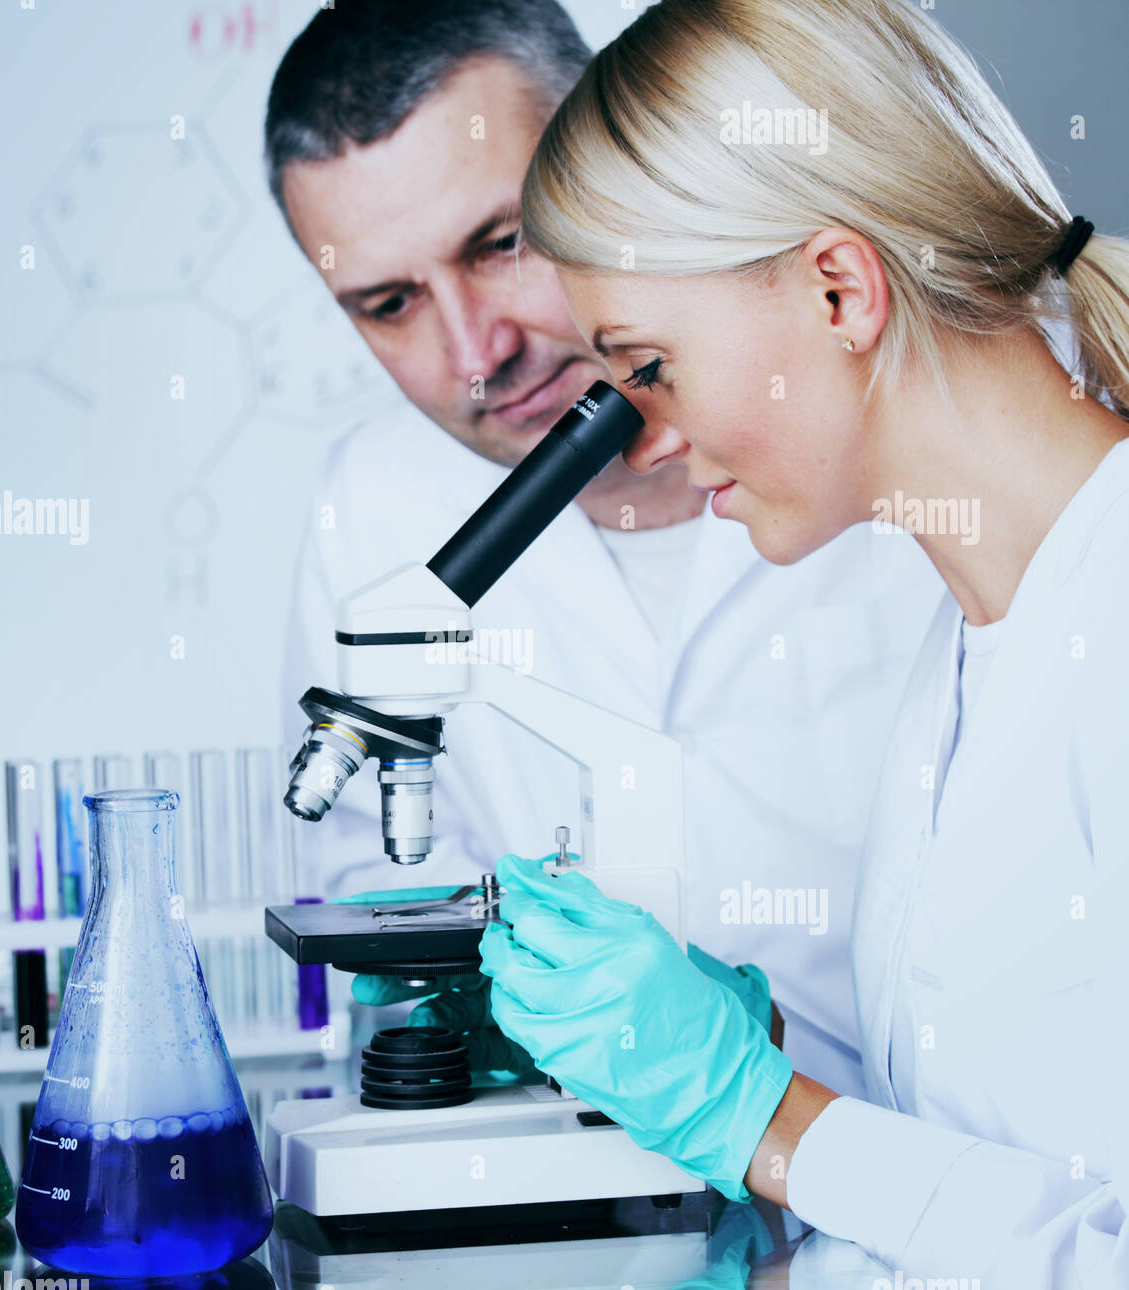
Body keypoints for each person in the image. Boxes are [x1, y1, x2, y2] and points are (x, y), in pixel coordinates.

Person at [489, 0, 1129, 1290]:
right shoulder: (965, 652)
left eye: (651, 366)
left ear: (840, 287)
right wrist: (767, 1081)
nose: (645, 438)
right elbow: (999, 1187)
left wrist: (771, 1121)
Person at [265, 0, 944, 1097]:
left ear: (610, 158)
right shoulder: (376, 503)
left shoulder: (890, 409)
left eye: (502, 244)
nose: (474, 349)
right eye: (390, 303)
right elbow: (370, 883)